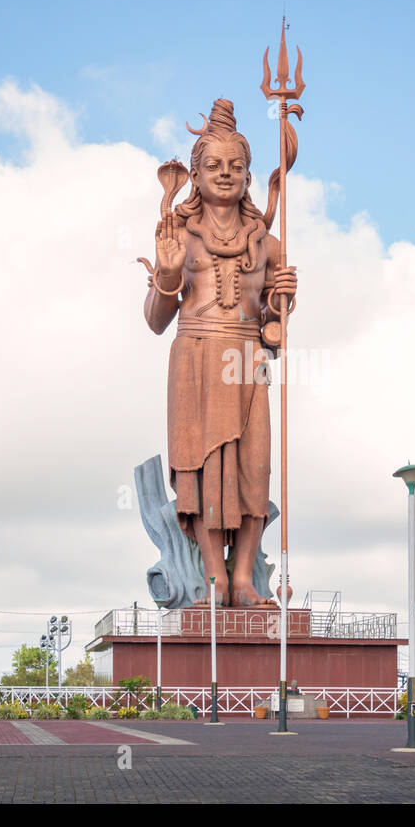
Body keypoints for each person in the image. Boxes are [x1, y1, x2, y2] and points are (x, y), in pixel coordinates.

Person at [143, 98, 297, 607]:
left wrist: (281, 306)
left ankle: (243, 580)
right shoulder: (178, 236)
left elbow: (276, 338)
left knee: (254, 468)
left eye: (236, 166)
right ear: (195, 173)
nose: (225, 174)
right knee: (203, 472)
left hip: (247, 358)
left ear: (250, 175)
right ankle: (213, 578)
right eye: (213, 165)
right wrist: (166, 276)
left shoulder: (270, 245)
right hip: (195, 354)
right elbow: (155, 321)